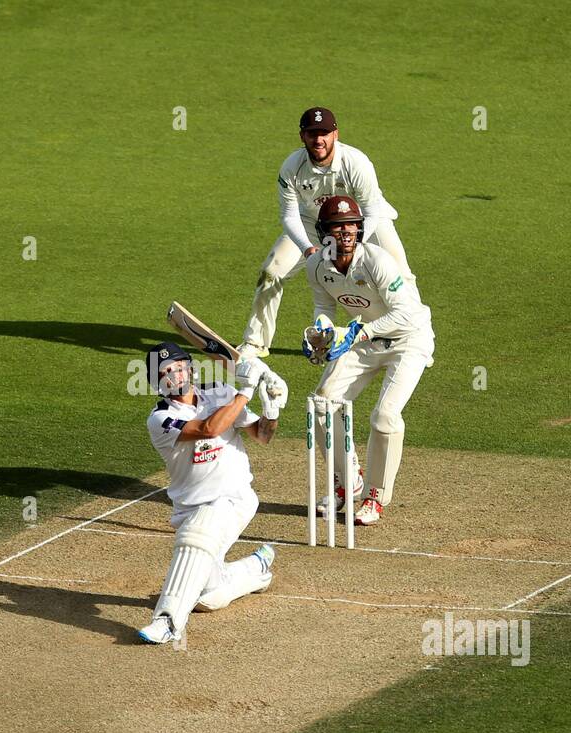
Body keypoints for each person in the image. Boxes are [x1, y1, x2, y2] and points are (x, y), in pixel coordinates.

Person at [238, 106, 417, 360]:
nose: (318, 139)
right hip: (312, 224)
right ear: (303, 137)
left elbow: (372, 209)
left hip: (364, 222)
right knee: (271, 272)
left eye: (324, 133)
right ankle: (255, 343)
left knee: (401, 271)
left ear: (336, 134)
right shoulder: (292, 167)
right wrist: (307, 248)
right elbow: (289, 215)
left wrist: (355, 245)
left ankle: (415, 340)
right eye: (312, 133)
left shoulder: (356, 163)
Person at [138, 343, 286, 644]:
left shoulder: (219, 391)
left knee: (199, 534)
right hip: (190, 508)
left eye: (178, 367)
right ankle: (256, 567)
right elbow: (208, 428)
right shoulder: (160, 419)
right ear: (157, 383)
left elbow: (262, 435)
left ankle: (168, 621)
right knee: (209, 596)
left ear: (190, 368)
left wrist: (272, 406)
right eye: (165, 373)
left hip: (234, 499)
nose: (174, 375)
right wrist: (245, 390)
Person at [301, 195, 434, 526]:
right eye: (337, 225)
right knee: (322, 404)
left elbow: (405, 313)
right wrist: (319, 336)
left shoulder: (378, 261)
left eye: (350, 225)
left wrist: (357, 334)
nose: (345, 231)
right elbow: (324, 309)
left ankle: (375, 495)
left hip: (408, 340)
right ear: (324, 231)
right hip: (365, 340)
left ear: (359, 229)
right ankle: (348, 481)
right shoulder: (317, 267)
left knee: (385, 416)